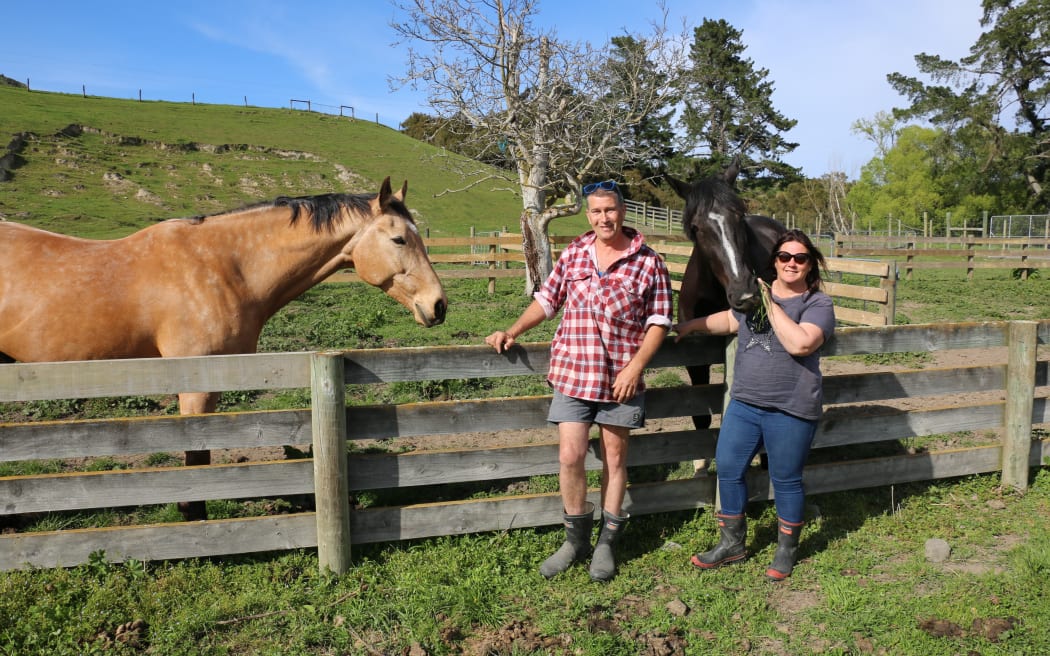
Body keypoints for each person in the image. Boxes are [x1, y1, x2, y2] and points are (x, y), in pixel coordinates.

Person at [485, 179, 672, 582]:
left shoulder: (648, 261)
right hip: (573, 372)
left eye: (610, 210)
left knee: (614, 458)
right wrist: (513, 330)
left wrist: (636, 367)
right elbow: (547, 300)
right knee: (570, 456)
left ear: (623, 211)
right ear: (588, 214)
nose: (604, 217)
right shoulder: (575, 254)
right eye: (596, 211)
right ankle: (575, 539)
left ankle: (607, 541)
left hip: (620, 378)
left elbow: (659, 321)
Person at [673, 228, 834, 581]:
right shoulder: (753, 299)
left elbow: (801, 344)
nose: (791, 263)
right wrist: (690, 325)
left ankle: (785, 550)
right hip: (745, 405)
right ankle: (732, 543)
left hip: (790, 408)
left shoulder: (817, 304)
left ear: (810, 265)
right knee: (729, 470)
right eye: (784, 257)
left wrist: (769, 302)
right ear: (774, 261)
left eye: (800, 258)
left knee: (787, 479)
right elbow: (729, 320)